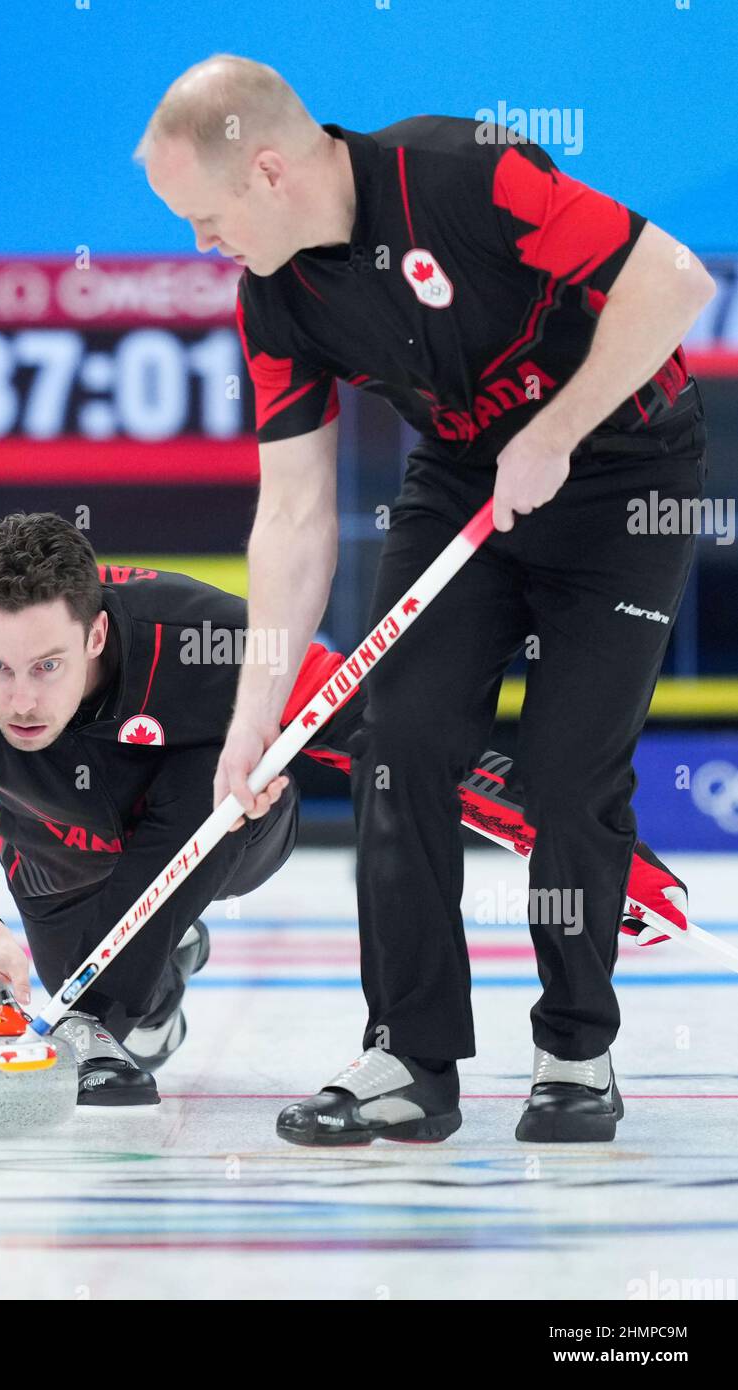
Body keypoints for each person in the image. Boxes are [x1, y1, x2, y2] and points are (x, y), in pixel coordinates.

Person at [137, 54, 714, 1143]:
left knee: (565, 769)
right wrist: (258, 718)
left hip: (625, 469)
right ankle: (409, 1056)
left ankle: (575, 1054)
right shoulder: (274, 297)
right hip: (461, 485)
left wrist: (556, 431)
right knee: (397, 739)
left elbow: (675, 281)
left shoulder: (465, 175)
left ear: (266, 171)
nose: (200, 245)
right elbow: (294, 513)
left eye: (204, 218)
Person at [0, 510, 345, 1105]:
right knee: (134, 1033)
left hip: (231, 821)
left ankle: (137, 962)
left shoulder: (204, 636)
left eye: (48, 666)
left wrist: (497, 812)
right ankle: (164, 963)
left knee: (92, 1011)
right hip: (55, 857)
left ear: (94, 636)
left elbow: (378, 730)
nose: (21, 700)